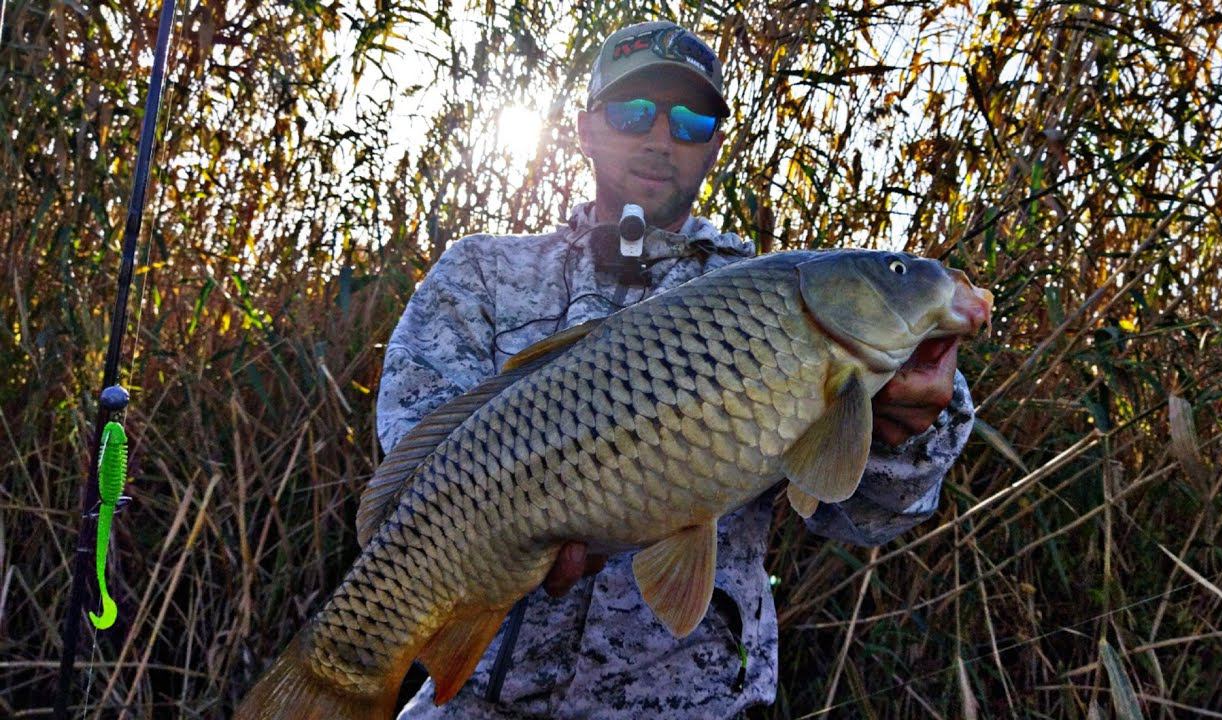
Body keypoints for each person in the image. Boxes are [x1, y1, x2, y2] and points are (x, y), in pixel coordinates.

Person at [378, 20, 975, 719]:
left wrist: (909, 432)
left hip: (694, 703)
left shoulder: (767, 291)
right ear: (586, 128)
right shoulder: (481, 274)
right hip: (477, 698)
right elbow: (419, 454)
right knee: (363, 656)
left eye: (691, 121)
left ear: (716, 144)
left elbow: (863, 516)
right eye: (633, 113)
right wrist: (516, 522)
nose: (661, 138)